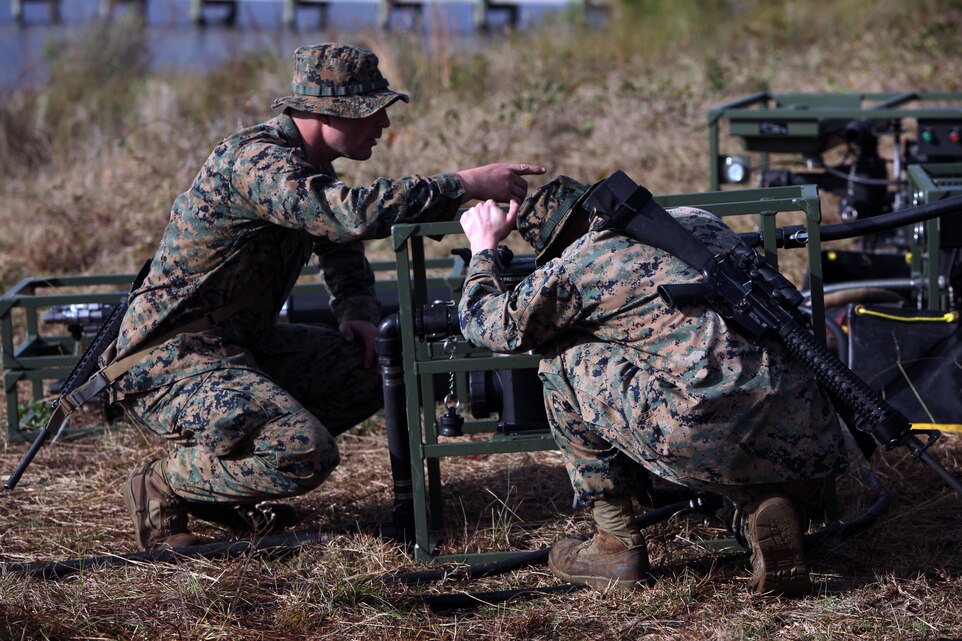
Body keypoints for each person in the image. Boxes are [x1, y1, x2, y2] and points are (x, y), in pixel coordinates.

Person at [104, 42, 545, 552]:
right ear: (320, 113)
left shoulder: (306, 166)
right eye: (369, 112)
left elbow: (339, 247)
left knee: (374, 370)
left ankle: (224, 480)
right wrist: (465, 183)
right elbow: (349, 215)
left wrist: (355, 312)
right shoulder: (256, 162)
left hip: (238, 346)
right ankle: (164, 484)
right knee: (303, 452)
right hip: (169, 360)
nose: (381, 123)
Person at [456, 176, 847, 596]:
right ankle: (762, 514)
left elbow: (489, 324)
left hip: (706, 433)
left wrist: (484, 248)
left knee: (561, 359)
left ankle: (615, 543)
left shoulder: (581, 260)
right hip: (809, 426)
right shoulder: (697, 221)